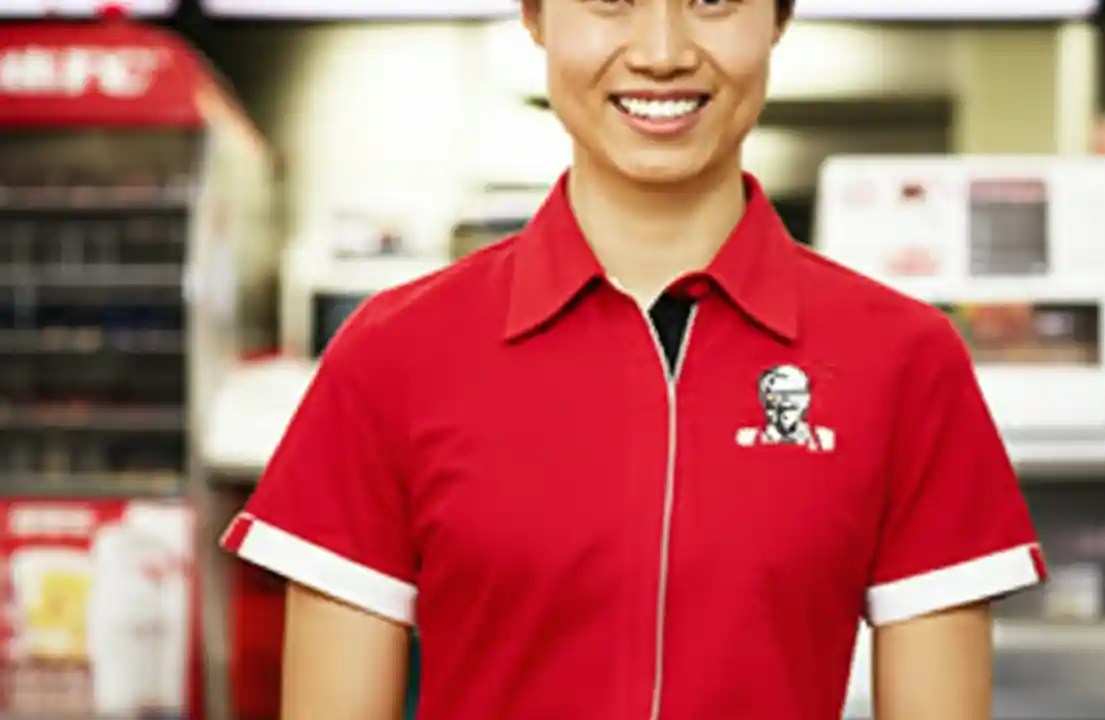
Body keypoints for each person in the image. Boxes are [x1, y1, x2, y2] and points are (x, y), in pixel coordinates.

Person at [221, 1, 1046, 718]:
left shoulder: (902, 360)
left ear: (779, 19)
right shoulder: (394, 355)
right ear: (535, 15)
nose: (661, 50)